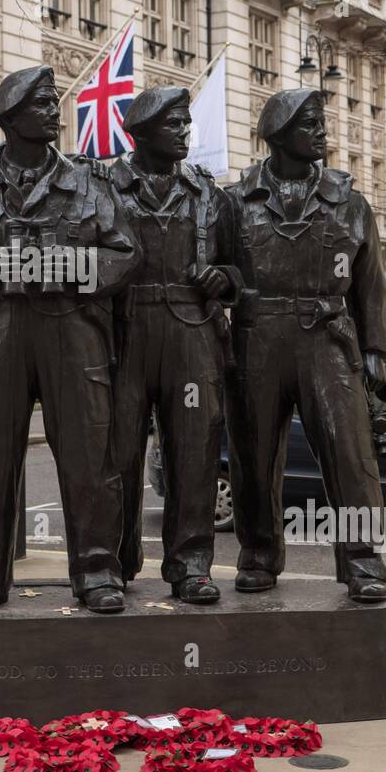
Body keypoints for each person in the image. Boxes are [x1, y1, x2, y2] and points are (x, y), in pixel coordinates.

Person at [0, 64, 141, 613]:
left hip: (73, 330)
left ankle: (97, 570)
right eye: (43, 104)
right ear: (11, 118)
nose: (54, 111)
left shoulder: (89, 182)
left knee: (90, 455)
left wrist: (72, 265)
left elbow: (123, 254)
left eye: (53, 102)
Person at [226, 88, 386, 602]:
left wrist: (374, 359)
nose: (323, 132)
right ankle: (257, 555)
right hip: (257, 338)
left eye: (321, 122)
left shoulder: (351, 203)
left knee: (351, 453)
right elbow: (212, 273)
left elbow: (370, 288)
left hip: (328, 338)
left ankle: (363, 561)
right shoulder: (234, 202)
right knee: (253, 454)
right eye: (311, 124)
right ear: (278, 134)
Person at [111, 85, 240, 602]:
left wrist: (223, 279)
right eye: (174, 125)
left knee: (194, 450)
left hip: (192, 328)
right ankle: (113, 564)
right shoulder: (106, 187)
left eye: (186, 123)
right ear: (141, 132)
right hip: (125, 329)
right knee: (115, 452)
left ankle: (190, 565)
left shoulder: (209, 192)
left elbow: (238, 269)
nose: (186, 132)